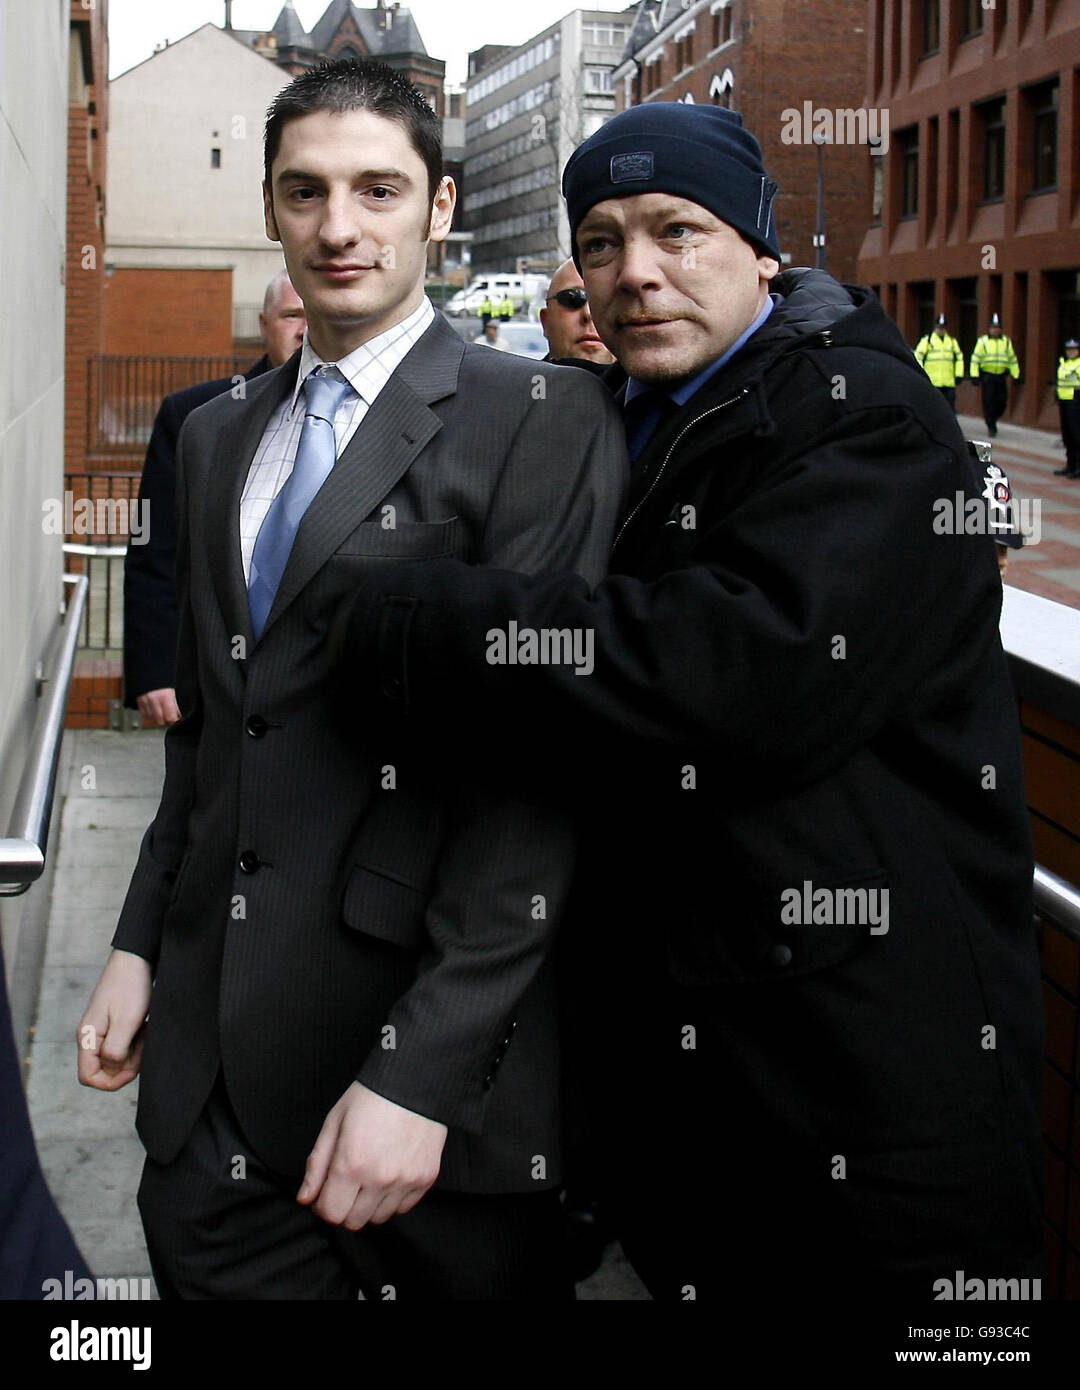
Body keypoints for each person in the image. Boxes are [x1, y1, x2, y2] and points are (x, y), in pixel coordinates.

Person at [331, 101, 1044, 1300]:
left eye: (678, 230)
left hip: (868, 1093)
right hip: (709, 1086)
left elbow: (733, 675)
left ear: (761, 248)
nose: (636, 273)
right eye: (600, 243)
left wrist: (417, 624)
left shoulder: (863, 420)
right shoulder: (630, 420)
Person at [77, 57, 625, 1301]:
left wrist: (418, 1075)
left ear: (438, 209)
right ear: (269, 207)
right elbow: (215, 734)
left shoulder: (540, 416)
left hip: (412, 1086)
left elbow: (536, 784)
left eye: (379, 190)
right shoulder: (218, 433)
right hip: (210, 1093)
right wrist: (139, 945)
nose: (340, 227)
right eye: (306, 191)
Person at [123, 271, 306, 725]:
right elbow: (155, 550)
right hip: (210, 680)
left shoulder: (372, 415)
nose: (305, 327)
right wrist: (154, 670)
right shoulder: (194, 416)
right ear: (264, 325)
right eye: (291, 315)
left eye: (315, 314)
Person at [540, 259, 615, 366]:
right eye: (572, 298)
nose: (588, 313)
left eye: (604, 299)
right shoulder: (520, 382)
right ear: (545, 321)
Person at [969, 312, 1019, 437]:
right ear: (989, 329)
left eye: (997, 328)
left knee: (1002, 402)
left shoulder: (1006, 342)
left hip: (1001, 376)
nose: (995, 330)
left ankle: (995, 418)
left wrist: (1016, 375)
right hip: (988, 376)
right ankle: (991, 425)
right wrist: (974, 375)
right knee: (989, 401)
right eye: (993, 328)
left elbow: (1012, 359)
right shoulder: (983, 342)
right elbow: (975, 359)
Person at [914, 311, 964, 409]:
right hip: (933, 382)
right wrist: (922, 373)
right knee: (933, 408)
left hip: (949, 382)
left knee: (949, 409)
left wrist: (959, 374)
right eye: (939, 327)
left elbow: (959, 358)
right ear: (935, 327)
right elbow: (918, 357)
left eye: (943, 327)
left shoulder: (952, 342)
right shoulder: (927, 341)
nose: (941, 329)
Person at [1053, 337, 1080, 479]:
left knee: (1077, 436)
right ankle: (1070, 465)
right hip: (1064, 403)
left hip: (1076, 403)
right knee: (1067, 436)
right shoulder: (1063, 364)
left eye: (1074, 350)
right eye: (1069, 350)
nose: (1071, 352)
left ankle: (1078, 467)